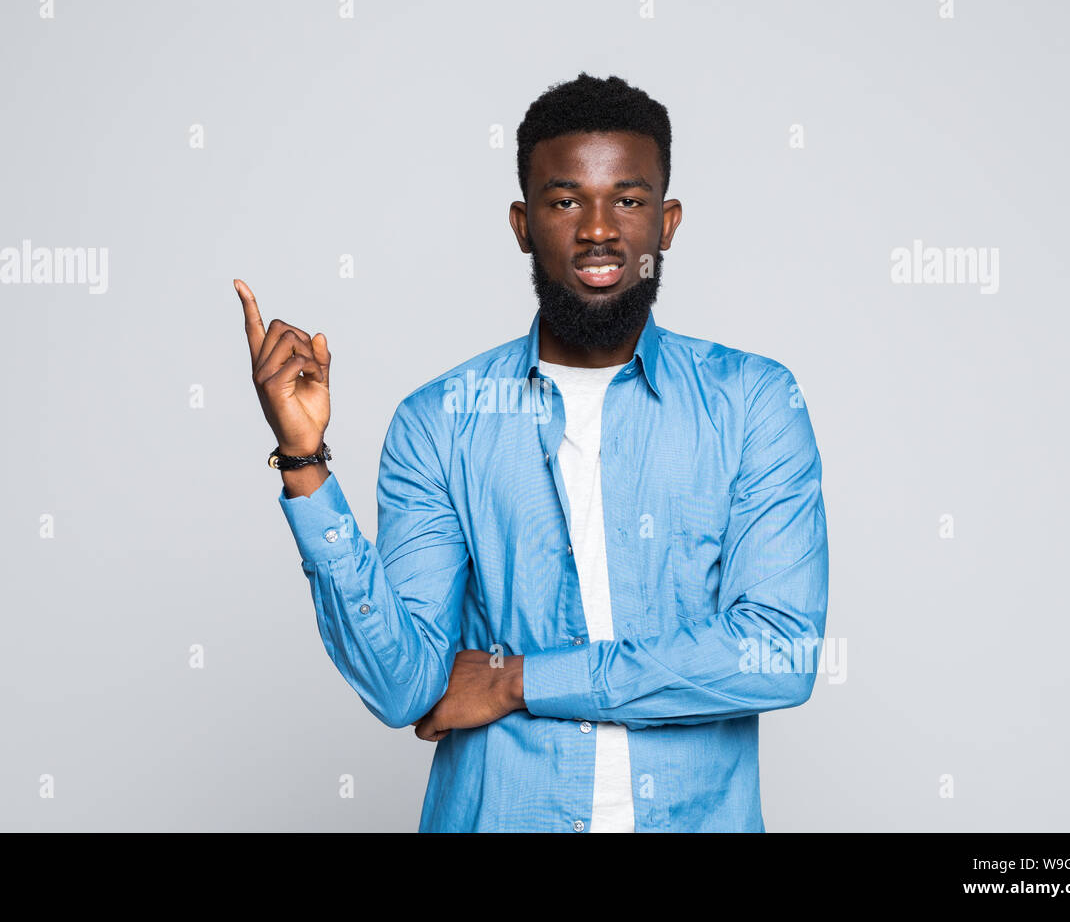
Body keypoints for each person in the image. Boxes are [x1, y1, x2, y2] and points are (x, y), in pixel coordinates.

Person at [233, 72, 829, 832]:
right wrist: (305, 459)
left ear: (668, 222)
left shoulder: (754, 405)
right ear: (522, 223)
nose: (599, 229)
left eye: (630, 200)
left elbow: (778, 653)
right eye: (565, 200)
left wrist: (521, 680)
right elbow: (402, 684)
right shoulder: (440, 423)